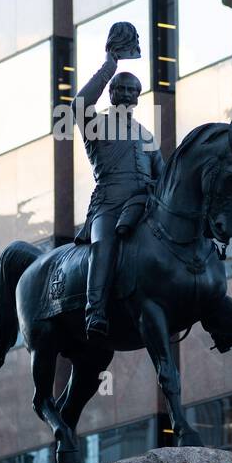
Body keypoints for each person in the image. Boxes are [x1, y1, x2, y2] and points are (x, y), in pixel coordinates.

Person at [74, 23, 164, 337]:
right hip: (109, 203)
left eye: (132, 90)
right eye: (121, 89)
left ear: (139, 97)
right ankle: (94, 312)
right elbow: (80, 104)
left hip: (144, 202)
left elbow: (163, 178)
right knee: (104, 247)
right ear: (111, 93)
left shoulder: (147, 135)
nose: (126, 94)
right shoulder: (96, 124)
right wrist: (109, 66)